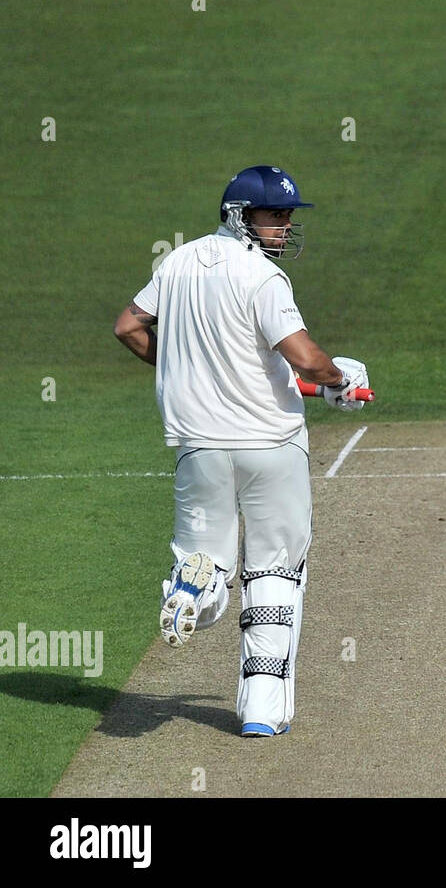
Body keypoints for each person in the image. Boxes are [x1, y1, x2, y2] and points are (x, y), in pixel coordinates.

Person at [113, 165, 371, 735]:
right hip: (270, 445)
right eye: (276, 215)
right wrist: (340, 382)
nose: (285, 225)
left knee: (205, 562)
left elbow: (129, 327)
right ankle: (260, 709)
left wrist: (183, 363)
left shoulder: (177, 262)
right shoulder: (263, 278)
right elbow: (303, 357)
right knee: (275, 572)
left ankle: (197, 586)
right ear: (241, 215)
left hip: (198, 447)